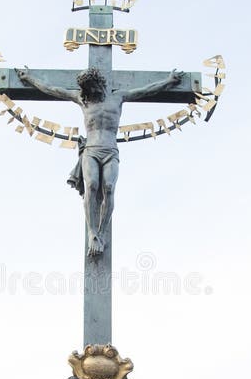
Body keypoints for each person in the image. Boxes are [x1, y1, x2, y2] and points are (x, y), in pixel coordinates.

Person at [15, 65, 183, 256]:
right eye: (87, 90)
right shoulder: (83, 99)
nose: (90, 93)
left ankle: (101, 233)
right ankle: (92, 232)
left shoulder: (118, 97)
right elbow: (53, 90)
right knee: (92, 185)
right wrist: (29, 79)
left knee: (109, 187)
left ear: (99, 83)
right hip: (91, 150)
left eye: (93, 88)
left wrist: (169, 81)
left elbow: (145, 90)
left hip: (110, 150)